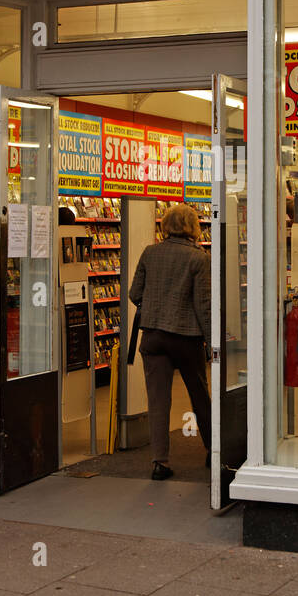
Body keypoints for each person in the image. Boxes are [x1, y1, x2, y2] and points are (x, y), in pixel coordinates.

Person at [128, 203, 212, 480]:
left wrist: (156, 304)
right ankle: (214, 451)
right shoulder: (199, 259)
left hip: (153, 337)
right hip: (186, 338)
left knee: (158, 401)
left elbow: (134, 293)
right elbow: (203, 306)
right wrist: (212, 342)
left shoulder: (150, 253)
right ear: (192, 228)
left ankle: (159, 462)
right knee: (199, 396)